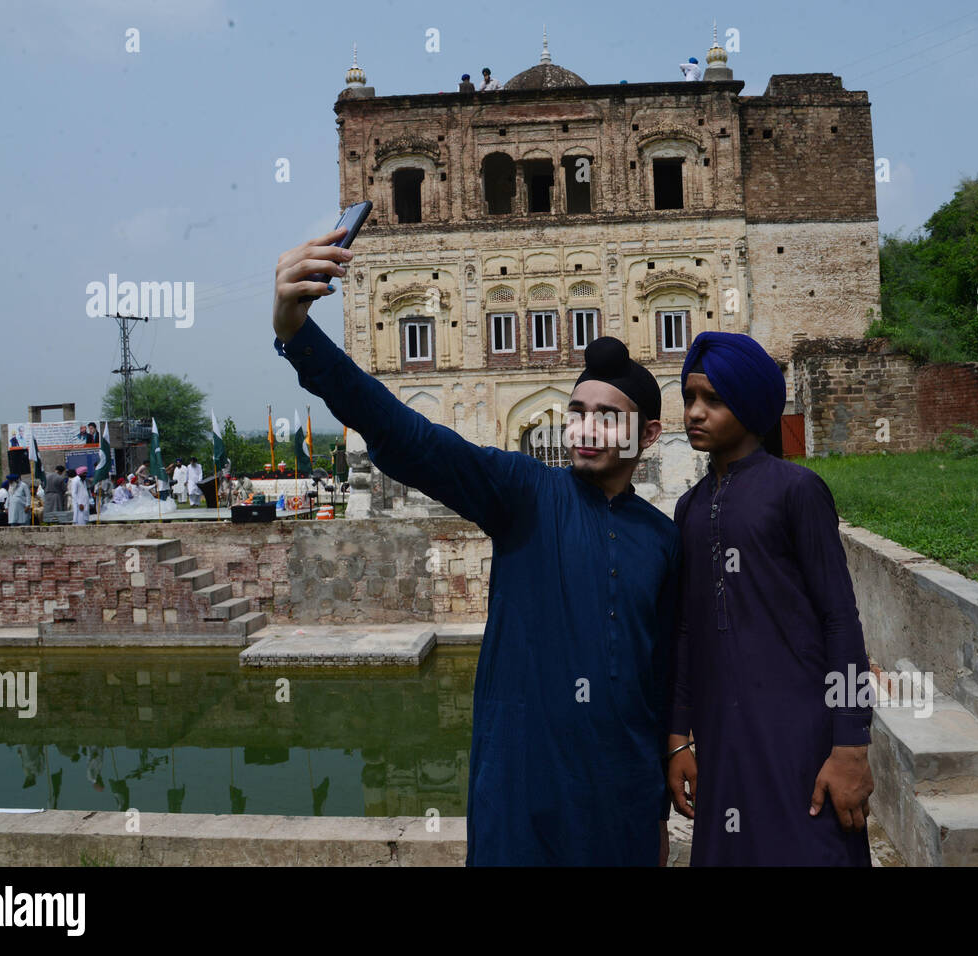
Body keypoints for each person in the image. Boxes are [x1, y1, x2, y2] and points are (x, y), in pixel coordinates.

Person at [273, 226, 680, 866]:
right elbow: (410, 437)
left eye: (607, 414)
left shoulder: (661, 541)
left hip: (622, 805)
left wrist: (656, 806)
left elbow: (661, 680)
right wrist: (301, 338)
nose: (585, 426)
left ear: (648, 434)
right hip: (523, 799)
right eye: (577, 410)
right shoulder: (523, 495)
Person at [666, 331, 874, 866]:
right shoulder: (689, 509)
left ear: (752, 404)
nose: (694, 412)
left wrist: (850, 745)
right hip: (723, 739)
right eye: (689, 397)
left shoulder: (796, 490)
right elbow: (686, 629)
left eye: (712, 399)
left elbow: (839, 619)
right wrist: (678, 737)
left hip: (801, 736)